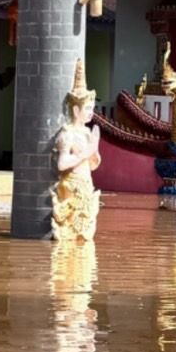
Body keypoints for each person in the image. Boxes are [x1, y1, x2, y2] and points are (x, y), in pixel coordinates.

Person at [51, 59, 102, 242]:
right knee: (68, 238)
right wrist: (84, 153)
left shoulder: (87, 133)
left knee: (84, 241)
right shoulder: (68, 134)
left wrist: (94, 149)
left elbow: (94, 164)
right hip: (71, 187)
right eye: (87, 108)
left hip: (86, 185)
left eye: (92, 108)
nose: (91, 112)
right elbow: (62, 164)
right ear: (75, 109)